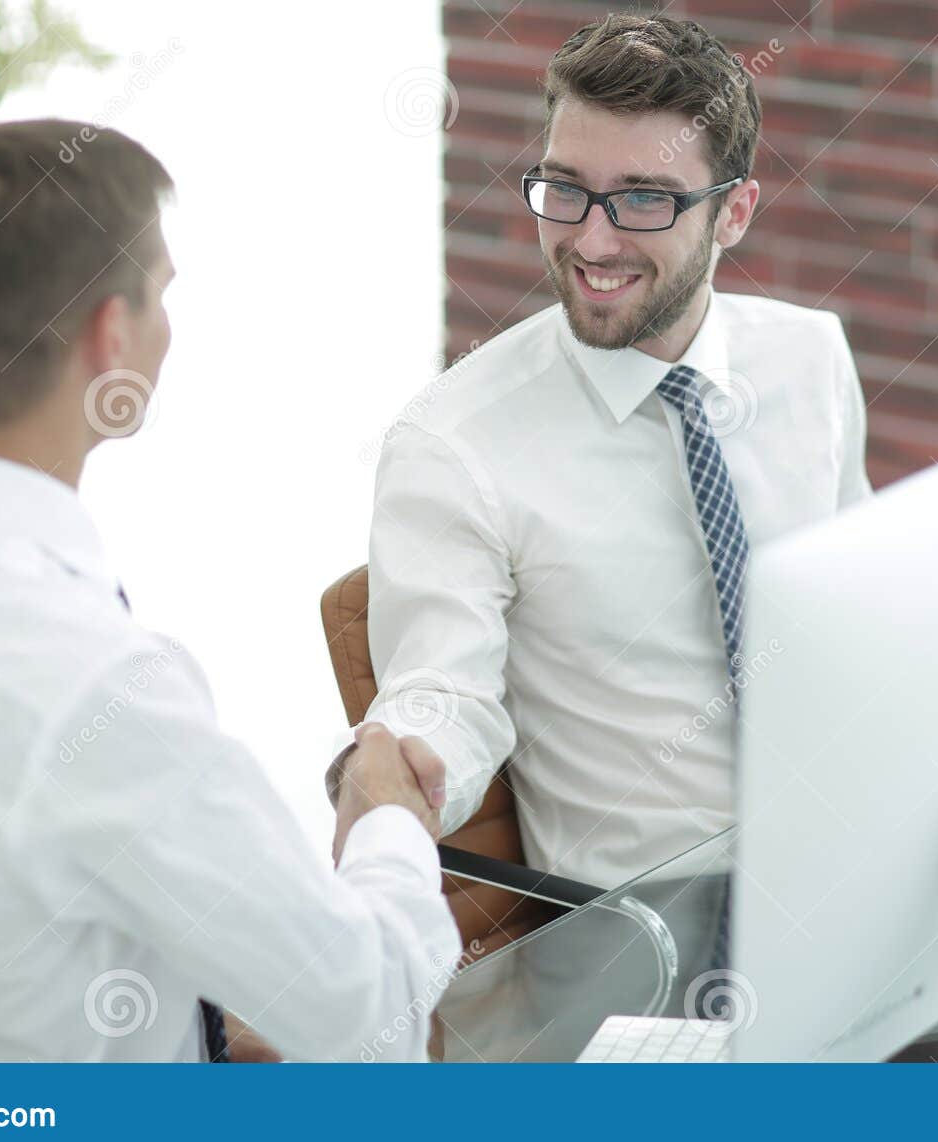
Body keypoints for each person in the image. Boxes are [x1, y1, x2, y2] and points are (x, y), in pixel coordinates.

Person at [0, 120, 459, 1061]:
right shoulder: (95, 685)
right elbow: (367, 1013)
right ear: (111, 333)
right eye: (161, 291)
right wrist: (386, 814)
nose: (170, 324)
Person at [361, 14, 872, 890]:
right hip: (646, 939)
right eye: (565, 190)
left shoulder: (809, 358)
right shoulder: (452, 444)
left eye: (644, 199)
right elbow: (444, 698)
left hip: (853, 864)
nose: (592, 242)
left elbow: (863, 614)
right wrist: (398, 760)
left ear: (733, 214)